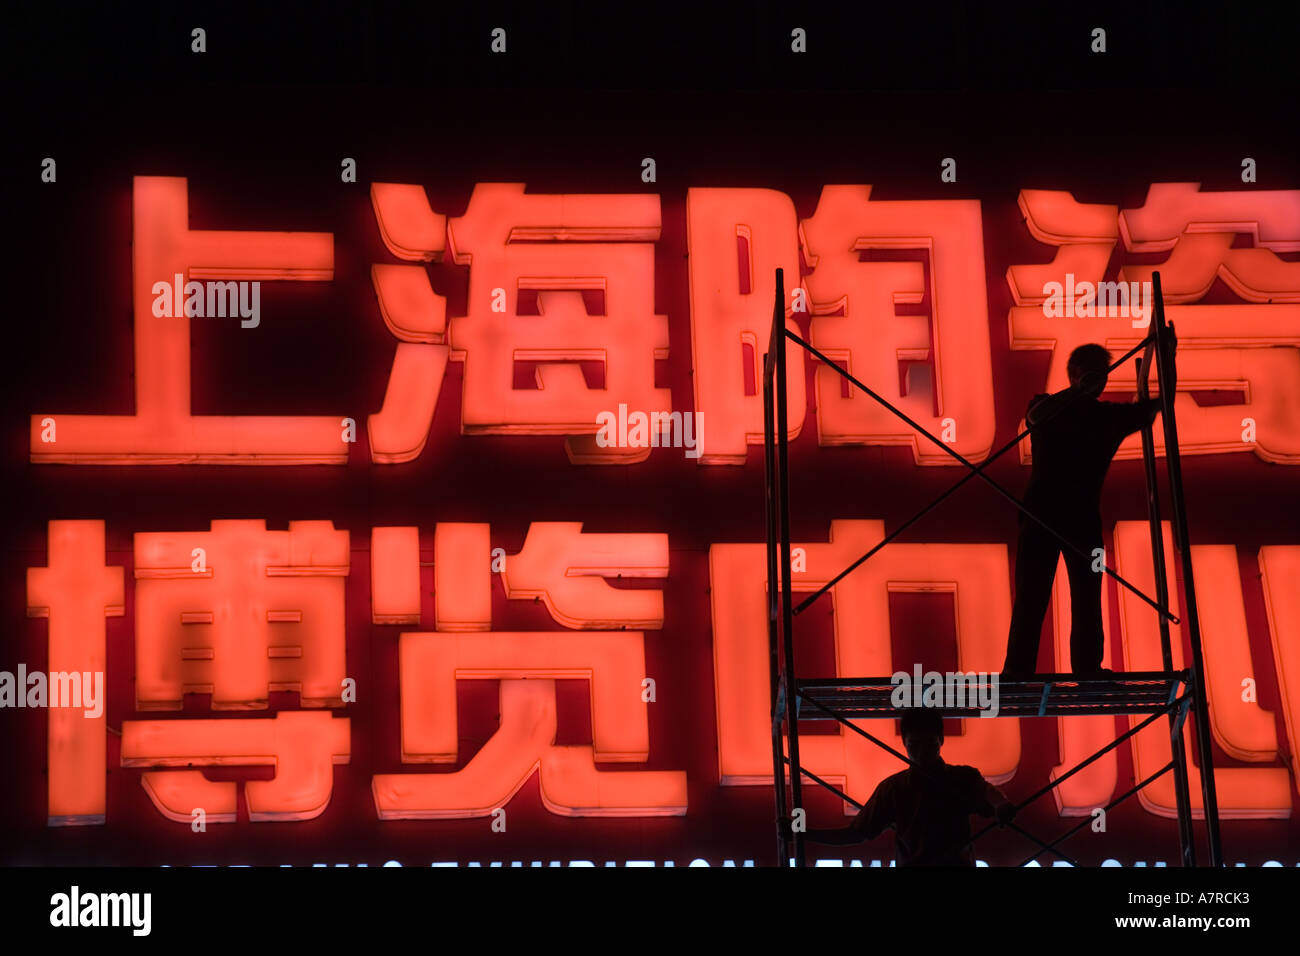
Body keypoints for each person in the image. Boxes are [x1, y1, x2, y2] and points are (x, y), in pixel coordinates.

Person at [1001, 335, 1175, 678]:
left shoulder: (1107, 416)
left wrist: (1168, 359)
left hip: (1079, 519)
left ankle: (1086, 667)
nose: (1099, 378)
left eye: (1102, 373)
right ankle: (1018, 670)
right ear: (1074, 373)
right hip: (1042, 516)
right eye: (1092, 372)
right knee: (1032, 595)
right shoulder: (1048, 405)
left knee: (1087, 594)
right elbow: (1034, 418)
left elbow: (1158, 405)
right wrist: (1079, 391)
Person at [790, 708, 1014, 866]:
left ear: (941, 740)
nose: (921, 752)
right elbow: (856, 833)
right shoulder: (897, 788)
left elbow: (988, 793)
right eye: (914, 745)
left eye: (928, 744)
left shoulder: (901, 787)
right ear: (905, 744)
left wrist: (1001, 804)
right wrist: (803, 833)